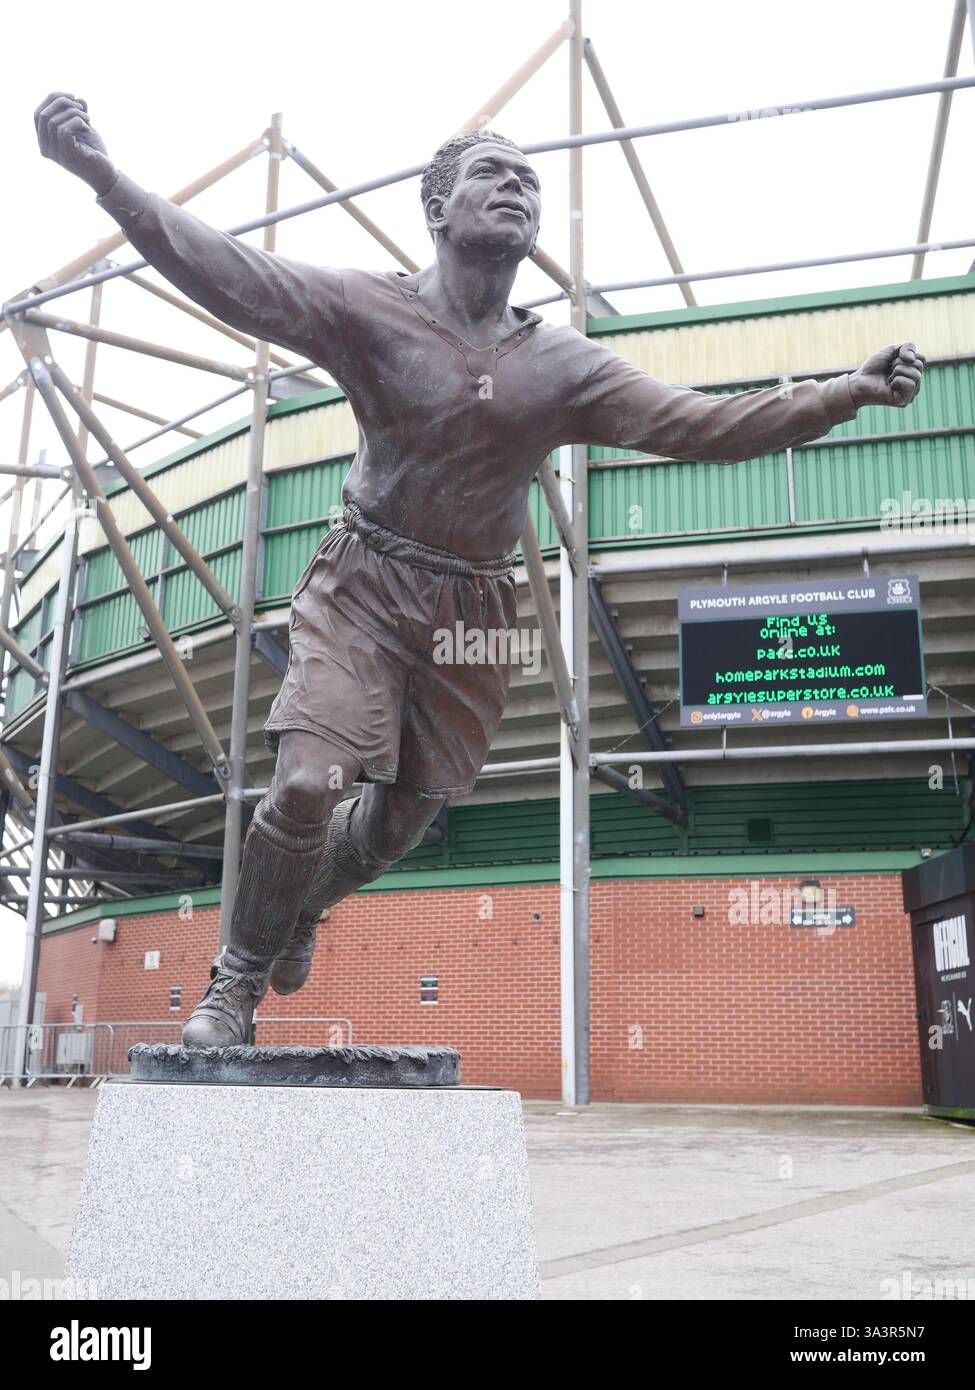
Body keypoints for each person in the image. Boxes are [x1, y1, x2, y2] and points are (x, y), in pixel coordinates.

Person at [32, 92, 926, 1045]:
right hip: (365, 586)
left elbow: (699, 425)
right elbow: (230, 273)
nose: (517, 189)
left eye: (529, 181)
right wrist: (106, 180)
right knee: (304, 786)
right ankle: (234, 985)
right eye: (492, 175)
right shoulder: (366, 309)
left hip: (474, 614)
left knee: (391, 828)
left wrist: (841, 394)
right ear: (438, 210)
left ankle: (297, 908)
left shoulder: (561, 365)